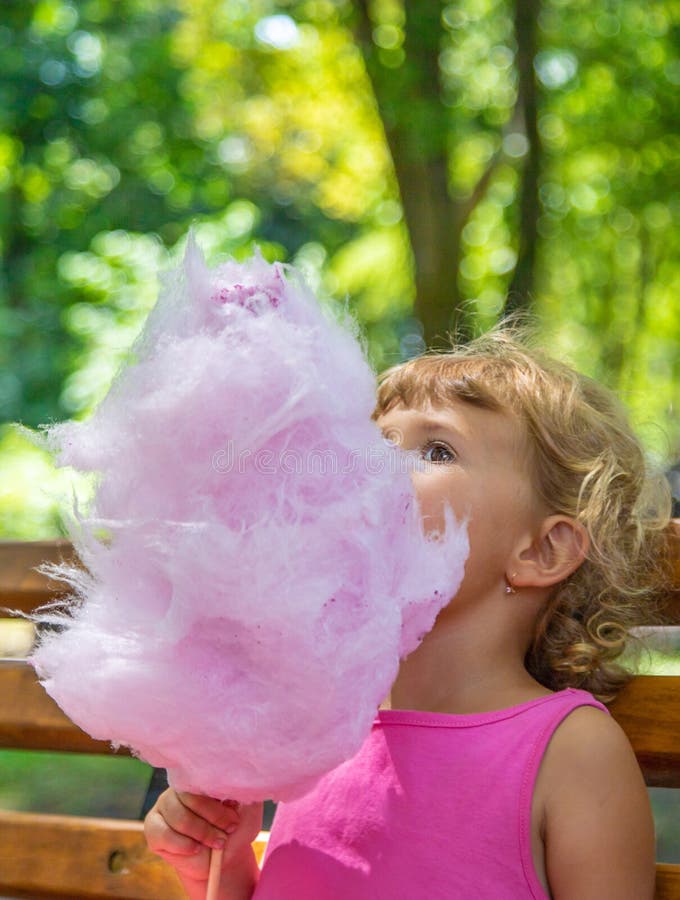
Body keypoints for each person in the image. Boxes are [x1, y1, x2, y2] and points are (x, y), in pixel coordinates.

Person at [144, 327, 671, 899]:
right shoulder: (322, 728)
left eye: (435, 450)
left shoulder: (571, 752)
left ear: (541, 551)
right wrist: (219, 865)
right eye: (374, 444)